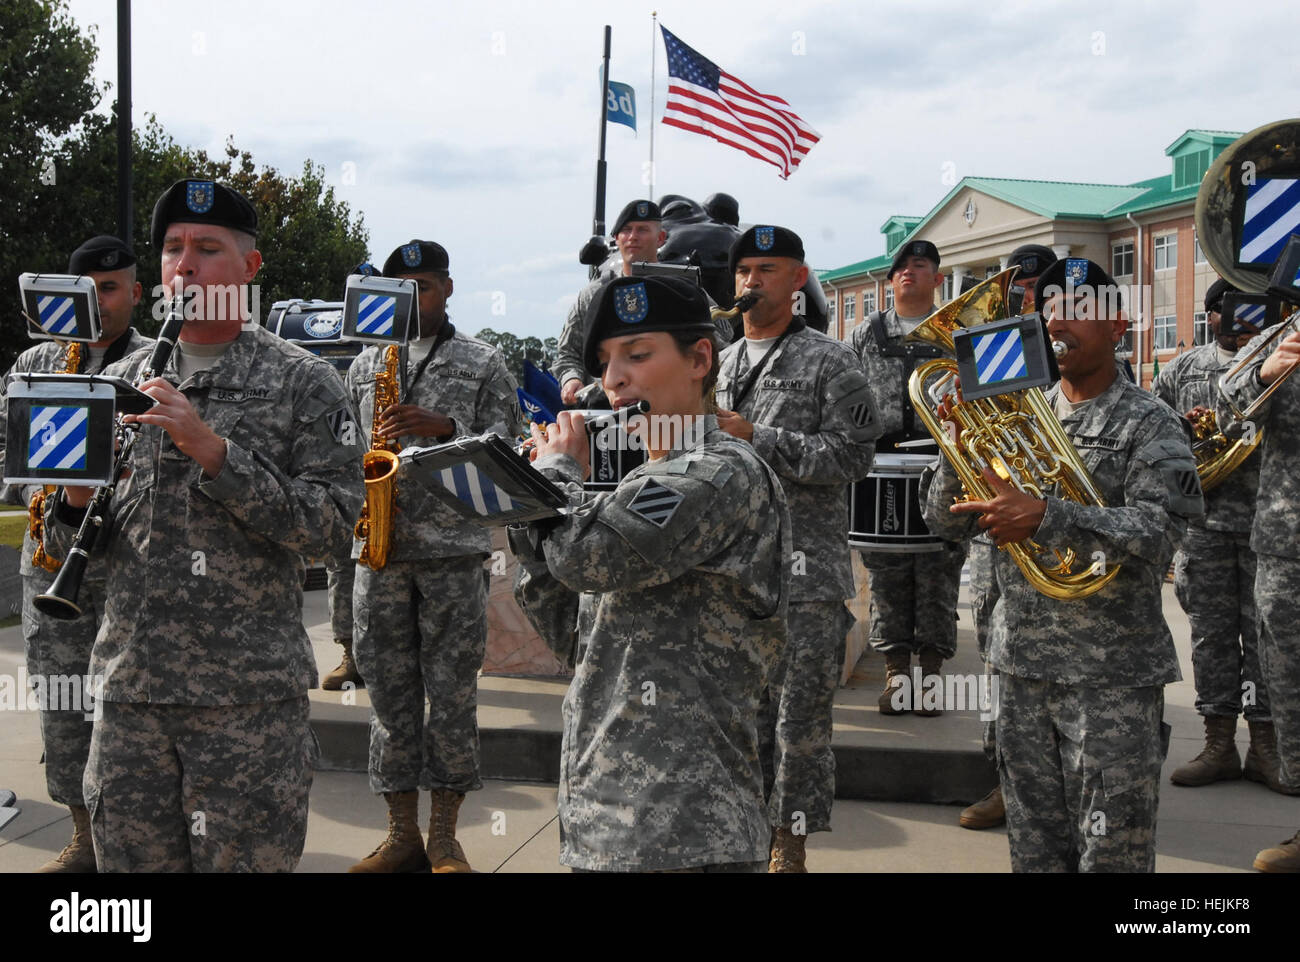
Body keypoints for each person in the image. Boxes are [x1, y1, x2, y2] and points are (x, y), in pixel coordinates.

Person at [44, 179, 365, 872]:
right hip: (131, 697)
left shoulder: (304, 383)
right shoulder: (116, 382)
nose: (184, 265)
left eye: (208, 249)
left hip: (245, 704)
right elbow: (62, 553)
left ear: (249, 270)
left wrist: (216, 454)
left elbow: (334, 530)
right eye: (173, 248)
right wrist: (71, 505)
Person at [922, 258, 1201, 872]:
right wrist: (956, 441)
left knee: (1112, 857)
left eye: (1079, 310)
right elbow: (943, 521)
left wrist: (1048, 515)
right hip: (1021, 669)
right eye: (1049, 311)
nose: (1058, 323)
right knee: (1035, 853)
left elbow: (1162, 532)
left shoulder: (1150, 421)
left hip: (1112, 680)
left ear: (1119, 326)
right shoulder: (1013, 409)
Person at [510, 274, 791, 872]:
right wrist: (521, 508)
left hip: (686, 828)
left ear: (698, 359)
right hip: (607, 820)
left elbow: (584, 558)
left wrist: (552, 478)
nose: (613, 380)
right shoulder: (640, 483)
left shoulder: (716, 473)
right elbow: (578, 641)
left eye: (637, 356)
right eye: (606, 362)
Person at [346, 240, 522, 873]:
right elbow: (347, 445)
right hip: (381, 551)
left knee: (451, 698)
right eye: (402, 287)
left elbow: (514, 443)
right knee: (390, 698)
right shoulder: (367, 362)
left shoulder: (481, 360)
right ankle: (401, 835)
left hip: (451, 551)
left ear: (448, 288)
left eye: (424, 286)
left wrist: (447, 427)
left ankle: (446, 836)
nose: (414, 298)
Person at [715, 225, 880, 871]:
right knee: (742, 720)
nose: (752, 281)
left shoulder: (831, 360)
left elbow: (852, 457)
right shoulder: (719, 363)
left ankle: (792, 848)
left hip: (806, 579)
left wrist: (759, 435)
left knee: (800, 728)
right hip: (734, 576)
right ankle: (749, 840)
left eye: (768, 269)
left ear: (798, 278)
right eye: (745, 271)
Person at [0, 235, 152, 872]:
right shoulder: (33, 363)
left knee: (130, 720)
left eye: (111, 288)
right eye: (86, 290)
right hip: (49, 569)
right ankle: (86, 840)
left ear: (137, 292)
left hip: (125, 574)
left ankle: (140, 842)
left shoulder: (156, 363)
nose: (100, 302)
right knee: (64, 713)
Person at [1153, 278, 1272, 789]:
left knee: (1269, 639)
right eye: (1223, 307)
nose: (1235, 316)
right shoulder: (1183, 368)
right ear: (1209, 315)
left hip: (1271, 528)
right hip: (1204, 529)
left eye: (1245, 306)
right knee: (1212, 638)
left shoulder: (1279, 361)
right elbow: (1153, 433)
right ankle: (1218, 743)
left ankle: (1269, 746)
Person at [960, 243, 1057, 830]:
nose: (1024, 296)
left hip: (1056, 533)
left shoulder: (1086, 357)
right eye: (1017, 286)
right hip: (998, 542)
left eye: (1035, 288)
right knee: (998, 662)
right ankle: (1003, 779)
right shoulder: (994, 351)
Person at [849, 240, 965, 715]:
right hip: (882, 466)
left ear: (938, 279)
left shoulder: (960, 331)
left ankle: (932, 676)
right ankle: (897, 675)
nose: (907, 273)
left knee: (940, 573)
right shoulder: (865, 335)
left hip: (945, 464)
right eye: (899, 267)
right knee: (887, 577)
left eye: (920, 266)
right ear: (889, 279)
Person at [1219, 285, 1300, 872]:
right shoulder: (1283, 336)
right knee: (1290, 689)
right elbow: (1225, 410)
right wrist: (1266, 372)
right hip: (1286, 548)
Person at [321, 261, 382, 694]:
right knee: (344, 569)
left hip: (403, 492)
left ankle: (385, 657)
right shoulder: (359, 365)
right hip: (356, 484)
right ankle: (351, 653)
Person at [555, 200, 668, 407]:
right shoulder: (593, 295)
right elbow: (567, 353)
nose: (633, 236)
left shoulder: (681, 290)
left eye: (643, 230)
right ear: (617, 238)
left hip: (668, 413)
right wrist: (571, 379)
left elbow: (719, 347)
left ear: (661, 238)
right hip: (605, 415)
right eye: (626, 230)